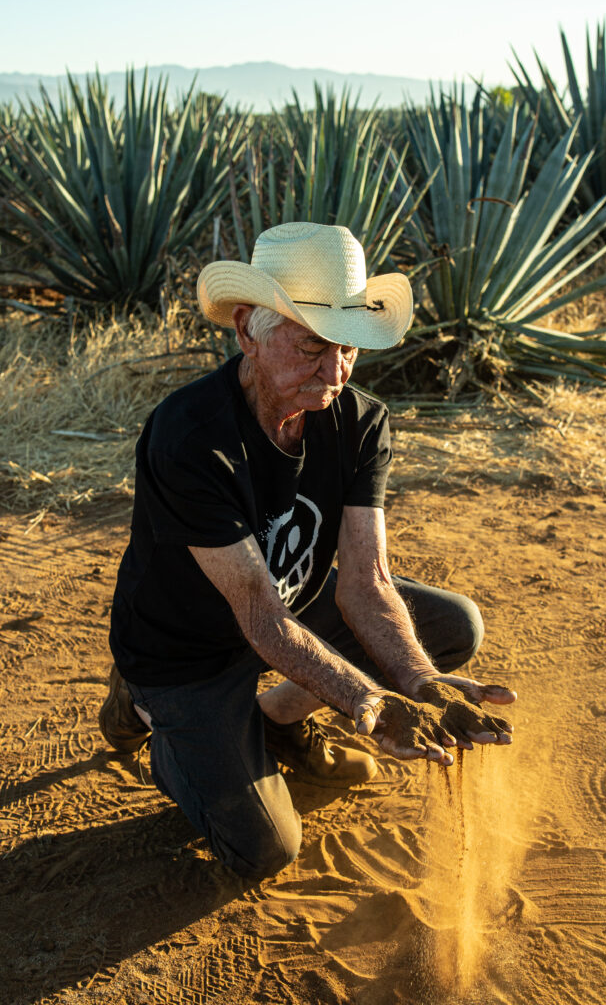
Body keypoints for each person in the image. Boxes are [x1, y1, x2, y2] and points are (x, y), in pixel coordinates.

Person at [100, 222, 516, 880]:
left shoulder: (359, 420)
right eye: (312, 347)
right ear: (247, 333)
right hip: (186, 652)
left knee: (446, 629)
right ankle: (151, 713)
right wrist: (365, 702)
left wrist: (418, 681)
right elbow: (260, 616)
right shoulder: (189, 437)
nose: (335, 372)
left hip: (292, 605)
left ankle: (274, 722)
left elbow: (367, 583)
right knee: (264, 850)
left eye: (348, 349)